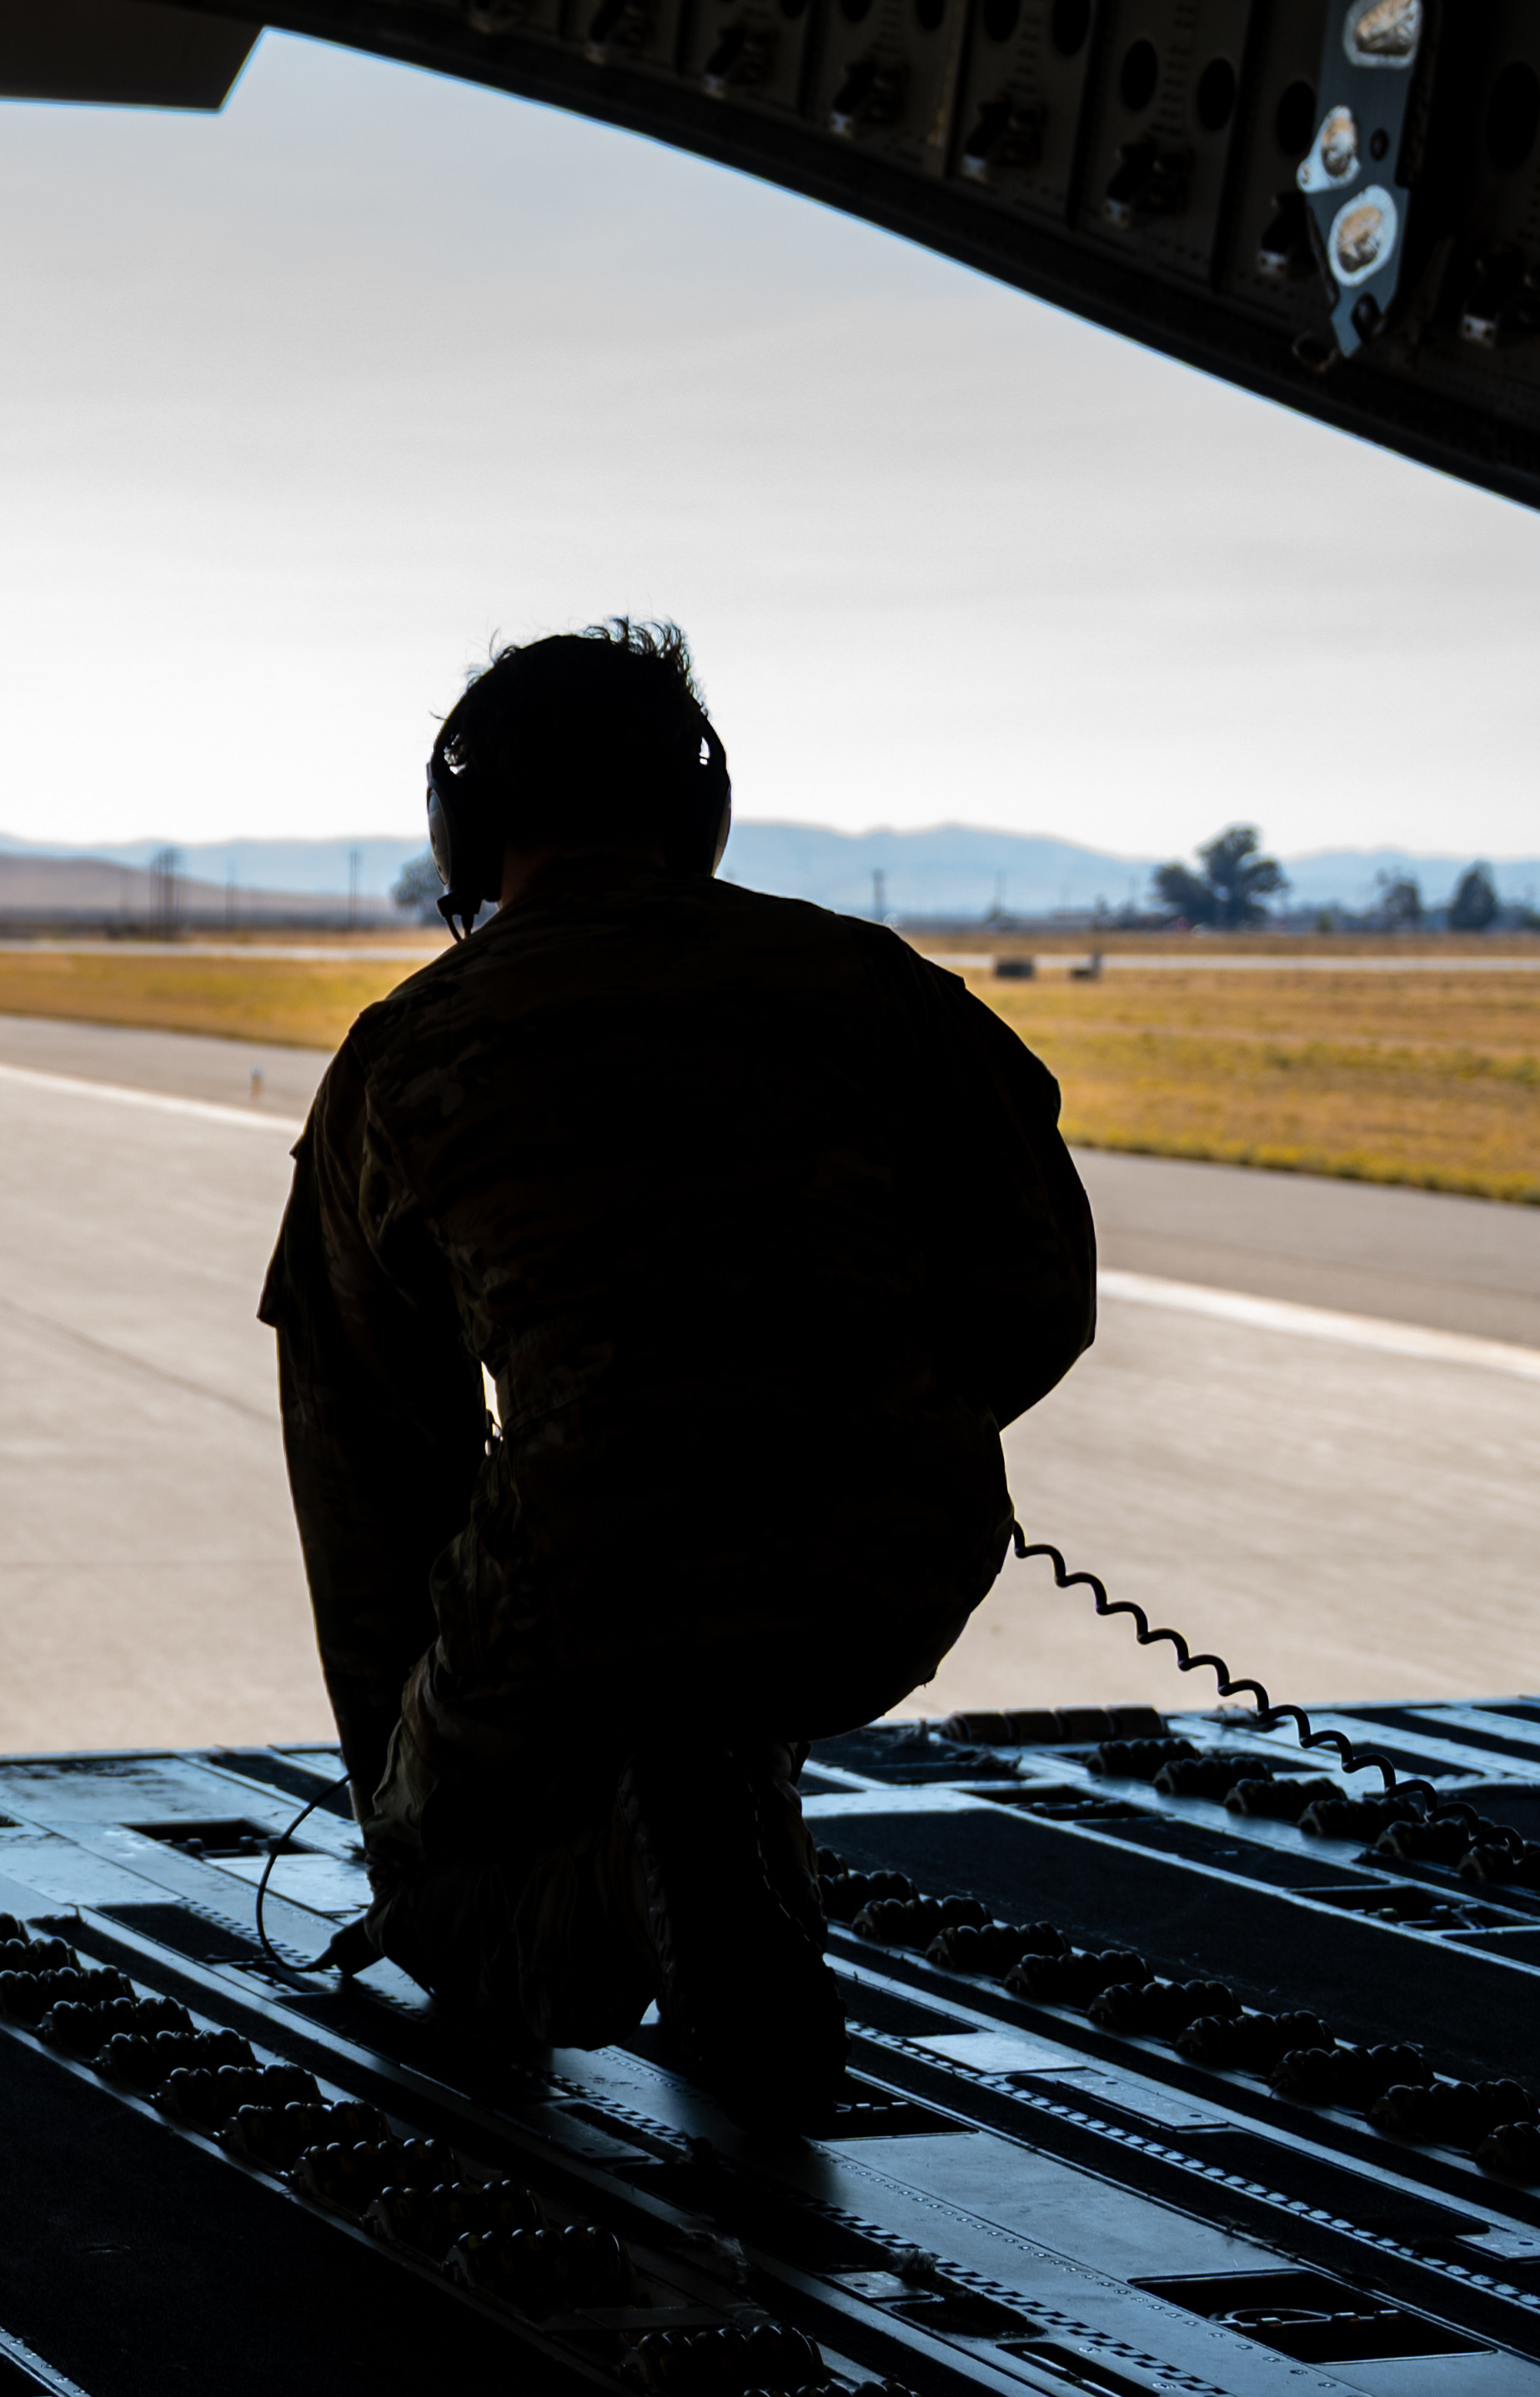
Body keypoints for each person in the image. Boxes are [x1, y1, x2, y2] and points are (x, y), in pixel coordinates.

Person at [260, 621, 1096, 2118]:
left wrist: (418, 1770)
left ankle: (623, 1885)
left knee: (450, 1896)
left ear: (460, 827)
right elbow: (1041, 1292)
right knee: (719, 1701)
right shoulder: (875, 987)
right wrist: (872, 1427)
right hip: (891, 1566)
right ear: (699, 806)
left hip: (588, 1583)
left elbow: (368, 1451)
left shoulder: (404, 1054)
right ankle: (705, 1799)